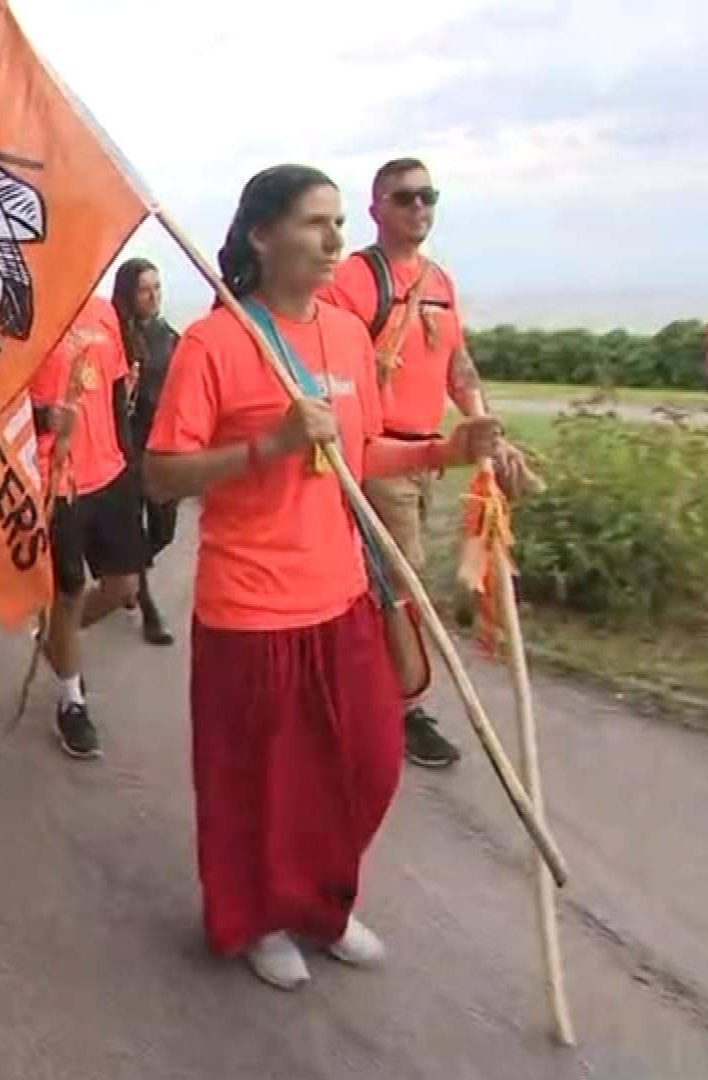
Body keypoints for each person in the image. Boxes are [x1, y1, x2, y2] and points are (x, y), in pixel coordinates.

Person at [144, 164, 500, 991]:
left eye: (339, 221)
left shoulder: (345, 336)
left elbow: (361, 453)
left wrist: (448, 448)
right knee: (257, 782)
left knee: (368, 761)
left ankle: (322, 902)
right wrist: (267, 445)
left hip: (340, 596)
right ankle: (260, 915)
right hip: (250, 607)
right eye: (314, 222)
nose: (335, 238)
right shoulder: (216, 341)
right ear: (263, 235)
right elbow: (162, 476)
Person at [318, 157, 528, 770]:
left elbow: (458, 367)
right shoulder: (357, 279)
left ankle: (360, 684)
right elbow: (327, 357)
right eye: (404, 198)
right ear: (376, 208)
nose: (419, 208)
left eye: (427, 196)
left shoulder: (439, 282)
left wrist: (487, 426)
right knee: (402, 578)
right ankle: (404, 706)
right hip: (377, 454)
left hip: (429, 454)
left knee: (384, 581)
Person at [30, 294, 147, 760]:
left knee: (123, 586)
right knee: (71, 590)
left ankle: (57, 641)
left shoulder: (102, 311)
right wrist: (44, 417)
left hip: (110, 471)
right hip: (56, 476)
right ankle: (72, 699)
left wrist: (130, 458)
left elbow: (117, 390)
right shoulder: (28, 314)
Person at [113, 258, 181, 646]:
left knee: (163, 529)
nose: (153, 296)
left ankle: (131, 570)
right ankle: (149, 610)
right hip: (123, 448)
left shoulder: (171, 338)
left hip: (163, 446)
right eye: (144, 289)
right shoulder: (114, 337)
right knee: (133, 529)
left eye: (157, 287)